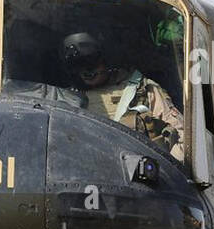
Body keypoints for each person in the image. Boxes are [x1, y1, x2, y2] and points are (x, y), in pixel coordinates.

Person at [59, 32, 184, 161]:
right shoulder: (66, 99)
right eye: (78, 65)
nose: (86, 70)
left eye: (91, 62)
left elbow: (182, 136)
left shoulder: (142, 90)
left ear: (106, 59)